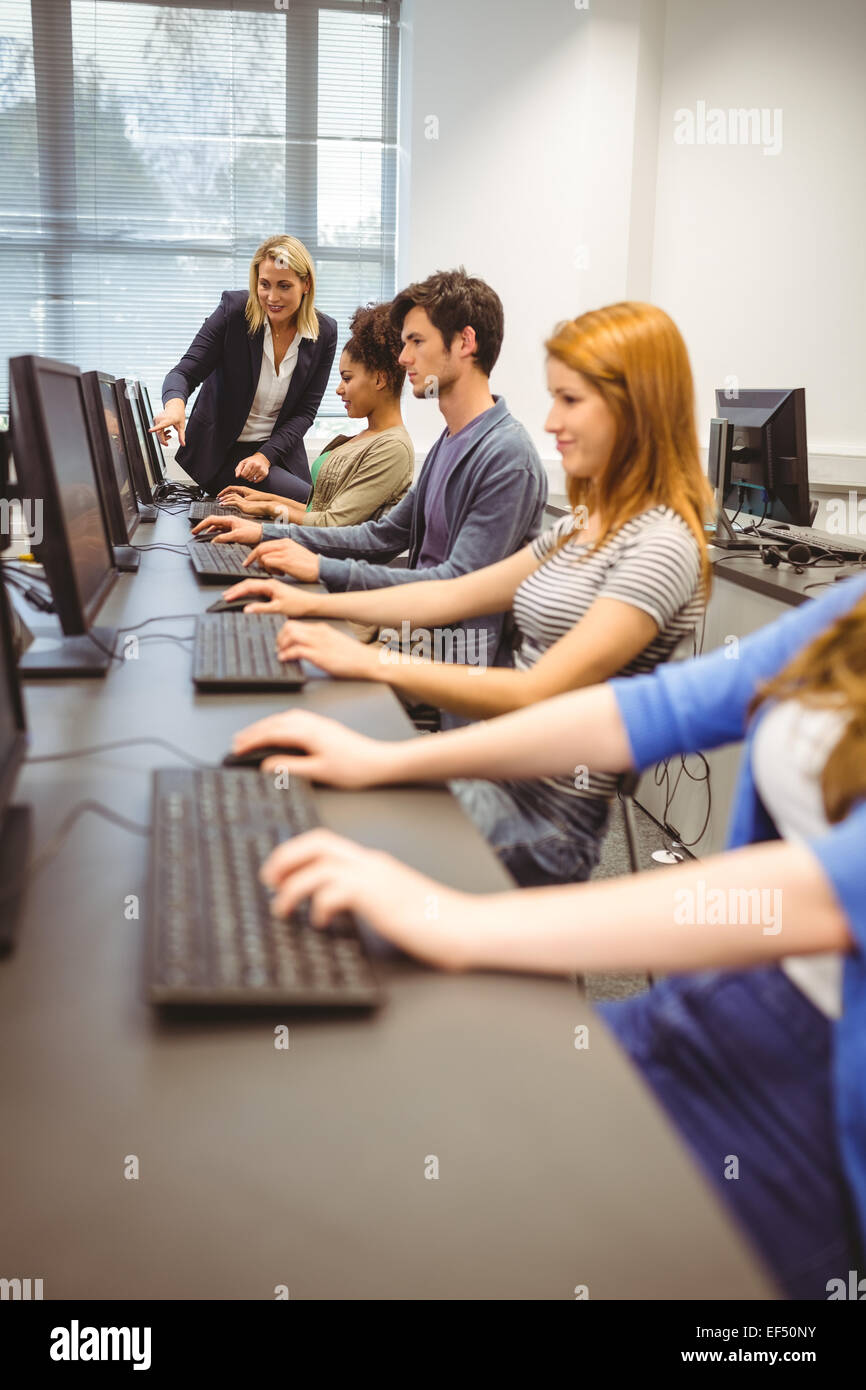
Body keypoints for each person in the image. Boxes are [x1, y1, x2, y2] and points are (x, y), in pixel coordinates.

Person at [229, 573, 866, 1300]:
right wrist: (384, 760)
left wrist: (454, 921)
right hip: (728, 996)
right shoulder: (855, 606)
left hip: (816, 1102)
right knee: (428, 1124)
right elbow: (651, 710)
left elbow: (828, 891)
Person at [220, 302, 713, 887]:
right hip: (493, 771)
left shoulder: (662, 546)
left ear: (639, 404)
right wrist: (313, 601)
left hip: (541, 824)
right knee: (296, 800)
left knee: (310, 829)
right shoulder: (585, 524)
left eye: (571, 400)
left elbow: (536, 691)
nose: (552, 422)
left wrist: (365, 669)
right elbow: (452, 596)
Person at [193, 268, 548, 694]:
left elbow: (454, 587)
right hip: (411, 637)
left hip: (450, 665)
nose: (402, 359)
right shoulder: (451, 441)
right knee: (262, 646)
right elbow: (384, 535)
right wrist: (266, 534)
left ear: (465, 343)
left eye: (416, 342)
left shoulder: (506, 456)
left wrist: (320, 570)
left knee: (279, 672)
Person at [195, 302, 413, 530]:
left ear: (380, 380)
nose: (338, 389)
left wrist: (269, 510)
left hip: (326, 558)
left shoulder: (392, 448)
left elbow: (333, 523)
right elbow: (317, 509)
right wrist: (260, 499)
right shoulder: (364, 437)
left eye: (347, 379)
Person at [152, 234, 337, 501]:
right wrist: (175, 405)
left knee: (315, 506)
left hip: (277, 453)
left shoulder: (324, 332)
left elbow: (305, 412)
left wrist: (266, 455)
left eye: (284, 286)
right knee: (309, 505)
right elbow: (184, 372)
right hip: (223, 453)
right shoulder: (234, 313)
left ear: (305, 284)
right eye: (265, 284)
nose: (272, 297)